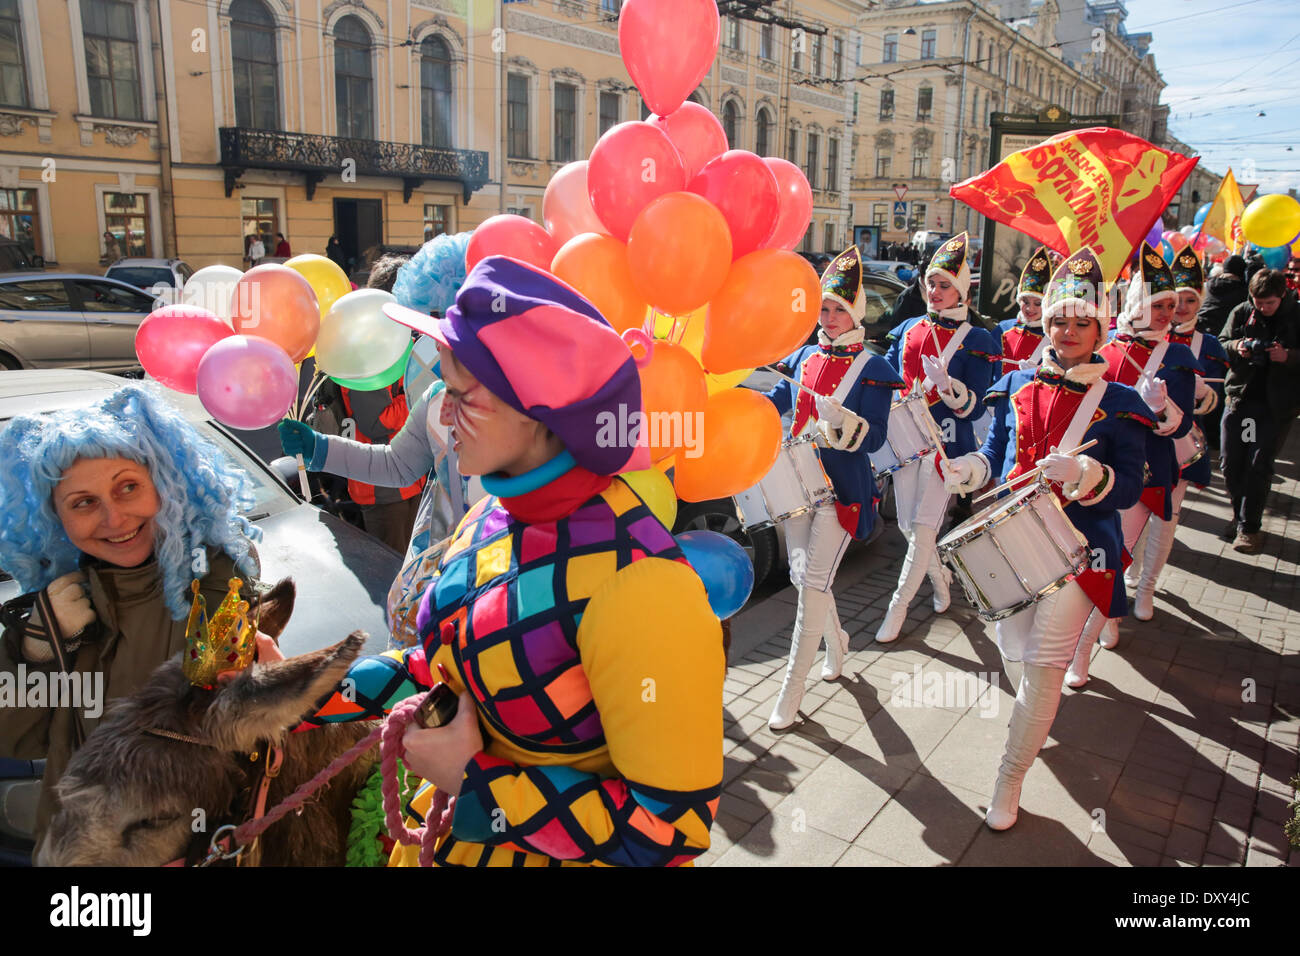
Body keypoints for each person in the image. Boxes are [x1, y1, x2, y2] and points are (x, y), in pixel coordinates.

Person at [294, 255, 724, 867]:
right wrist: (294, 695)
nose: (442, 414)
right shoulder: (488, 516)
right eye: (442, 387)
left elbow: (671, 829)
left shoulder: (644, 586)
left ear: (542, 413)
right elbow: (443, 668)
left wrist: (476, 783)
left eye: (462, 396)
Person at [0, 384, 272, 858]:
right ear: (56, 518)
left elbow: (217, 730)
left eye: (128, 487)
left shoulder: (216, 592)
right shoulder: (61, 606)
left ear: (164, 485)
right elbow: (17, 737)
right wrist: (36, 651)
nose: (113, 518)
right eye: (83, 503)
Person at [939, 247, 1153, 830]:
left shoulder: (1121, 404)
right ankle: (1032, 725)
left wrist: (1087, 475)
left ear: (1100, 328)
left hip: (1080, 550)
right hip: (1011, 542)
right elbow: (994, 454)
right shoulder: (1017, 383)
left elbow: (1130, 487)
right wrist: (969, 472)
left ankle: (1008, 780)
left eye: (1082, 321)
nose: (1068, 331)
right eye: (1059, 319)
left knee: (1043, 665)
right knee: (1013, 653)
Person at [279, 235, 474, 648]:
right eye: (426, 329)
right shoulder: (434, 400)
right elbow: (396, 464)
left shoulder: (528, 407)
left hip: (495, 573)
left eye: (443, 330)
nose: (431, 344)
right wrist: (320, 448)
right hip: (435, 567)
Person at [762, 247, 902, 730]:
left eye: (840, 308)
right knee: (808, 581)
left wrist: (845, 422)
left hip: (843, 491)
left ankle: (791, 690)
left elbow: (879, 439)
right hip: (798, 486)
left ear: (857, 311)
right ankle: (838, 643)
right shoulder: (801, 356)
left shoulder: (874, 368)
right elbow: (774, 400)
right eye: (824, 307)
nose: (830, 316)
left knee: (812, 586)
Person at [1066, 242, 1198, 679]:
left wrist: (1160, 409)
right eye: (1158, 305)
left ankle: (1085, 646)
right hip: (1096, 472)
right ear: (1138, 303)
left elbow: (1180, 427)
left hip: (1145, 472)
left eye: (1171, 306)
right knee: (1093, 557)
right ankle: (1104, 622)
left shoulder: (1177, 355)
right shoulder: (1107, 349)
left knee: (1114, 557)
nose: (1166, 314)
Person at [877, 233, 1001, 644]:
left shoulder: (980, 339)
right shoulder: (909, 328)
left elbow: (976, 407)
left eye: (945, 284)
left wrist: (950, 388)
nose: (935, 291)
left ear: (962, 289)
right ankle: (942, 579)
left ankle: (896, 609)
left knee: (926, 528)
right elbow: (892, 382)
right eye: (931, 283)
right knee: (909, 527)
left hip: (948, 447)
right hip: (908, 443)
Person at [1124, 250, 1228, 617]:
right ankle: (1129, 577)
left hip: (1173, 452)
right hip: (1127, 455)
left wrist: (1191, 400)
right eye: (1163, 303)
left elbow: (1195, 416)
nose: (1174, 310)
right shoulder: (1113, 348)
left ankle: (1147, 589)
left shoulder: (1192, 352)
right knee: (1126, 525)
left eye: (1182, 302)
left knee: (1164, 521)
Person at [334, 254, 426, 552]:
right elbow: (377, 422)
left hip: (407, 478)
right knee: (391, 573)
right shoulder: (364, 349)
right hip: (383, 488)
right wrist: (421, 394)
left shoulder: (395, 339)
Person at [1218, 268, 1300, 553]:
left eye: (1269, 303)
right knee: (1230, 464)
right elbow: (1221, 342)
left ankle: (1248, 528)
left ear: (1282, 296)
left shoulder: (1296, 315)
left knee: (1257, 466)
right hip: (1241, 399)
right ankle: (1241, 514)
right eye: (1258, 302)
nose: (1262, 308)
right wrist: (1238, 345)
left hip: (1276, 406)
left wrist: (1287, 356)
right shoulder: (1242, 312)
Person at [996, 247, 1054, 376]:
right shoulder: (1003, 329)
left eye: (1038, 303)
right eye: (1025, 302)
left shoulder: (1053, 335)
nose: (1030, 308)